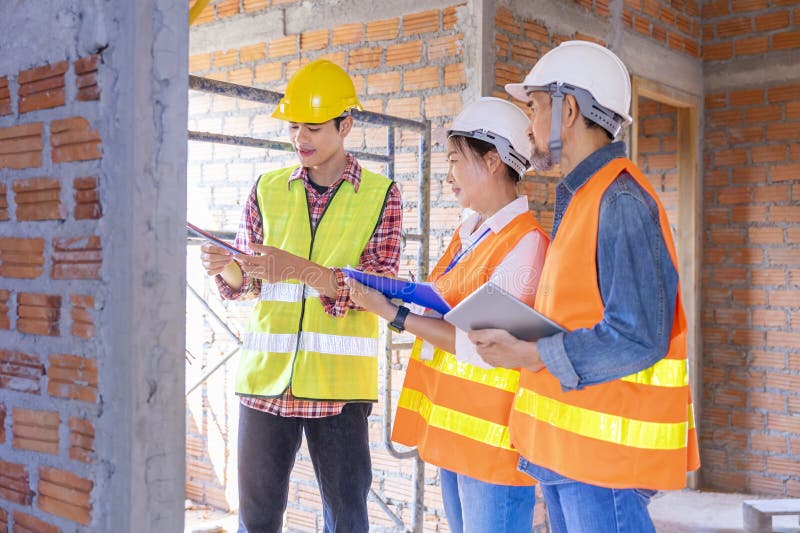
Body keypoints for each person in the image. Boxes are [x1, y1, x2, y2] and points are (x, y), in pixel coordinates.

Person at [470, 40, 700, 532]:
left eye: (533, 107)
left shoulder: (620, 200)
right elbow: (583, 318)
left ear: (568, 109)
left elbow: (637, 335)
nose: (527, 125)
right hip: (574, 454)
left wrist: (532, 354)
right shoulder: (584, 198)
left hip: (603, 464)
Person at [199, 59, 402, 533]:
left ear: (345, 125)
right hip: (264, 385)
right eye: (293, 127)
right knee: (257, 520)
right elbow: (245, 283)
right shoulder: (267, 189)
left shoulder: (380, 194)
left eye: (313, 127)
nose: (299, 138)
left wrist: (299, 270)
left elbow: (377, 286)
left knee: (346, 520)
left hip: (338, 390)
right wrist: (226, 269)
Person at [347, 96, 548, 533]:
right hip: (456, 432)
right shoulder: (470, 231)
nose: (448, 173)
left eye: (455, 160)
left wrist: (392, 313)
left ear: (493, 160)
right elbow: (446, 302)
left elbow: (486, 347)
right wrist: (400, 298)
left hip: (494, 444)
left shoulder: (527, 245)